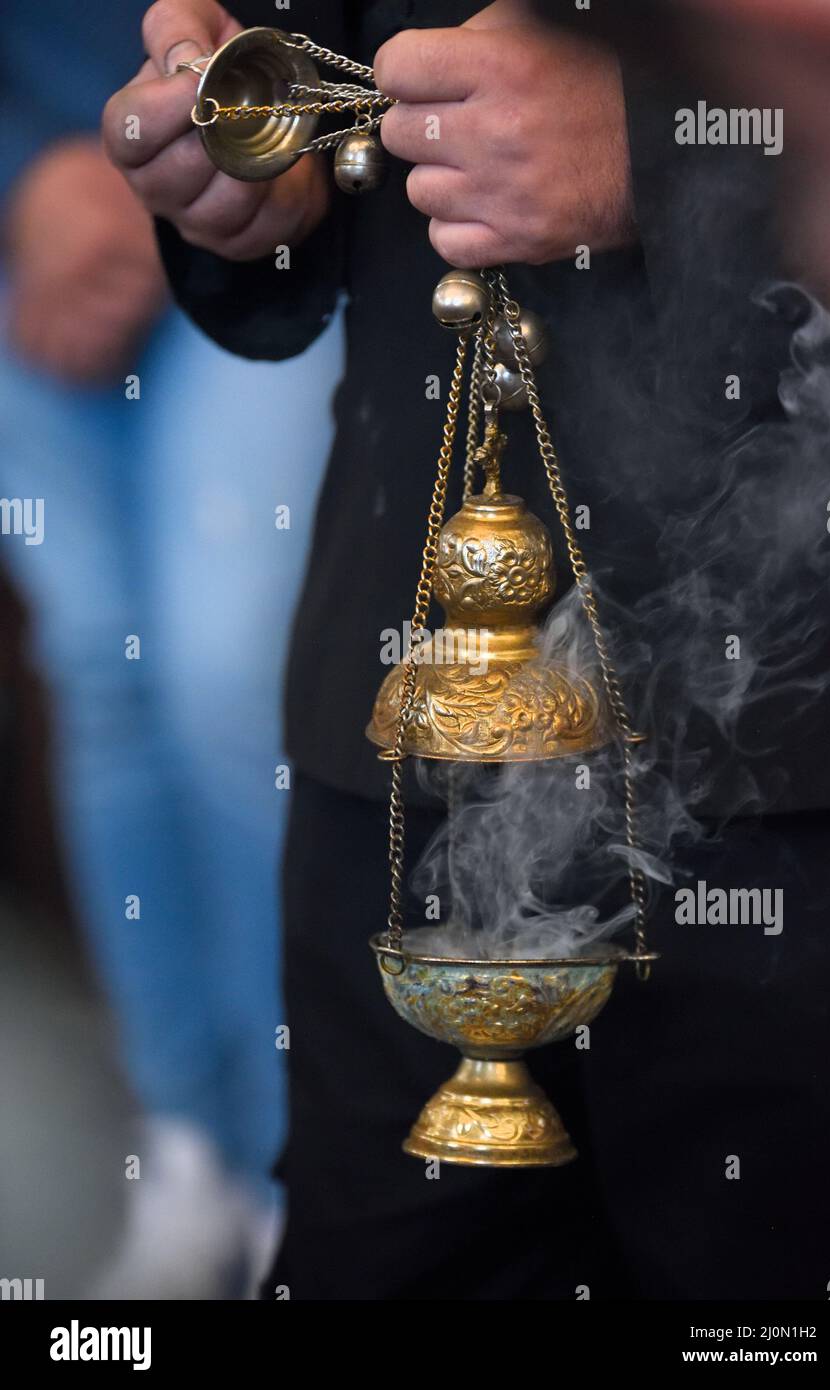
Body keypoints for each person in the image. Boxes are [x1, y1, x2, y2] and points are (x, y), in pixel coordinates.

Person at [103, 0, 830, 1299]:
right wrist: (248, 168)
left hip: (808, 756)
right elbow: (299, 96)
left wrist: (679, 148)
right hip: (402, 722)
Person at [1, 0, 342, 1287]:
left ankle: (295, 1164)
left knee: (229, 669)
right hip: (33, 217)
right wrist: (29, 180)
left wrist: (191, 169)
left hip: (283, 173)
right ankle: (191, 1145)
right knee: (105, 668)